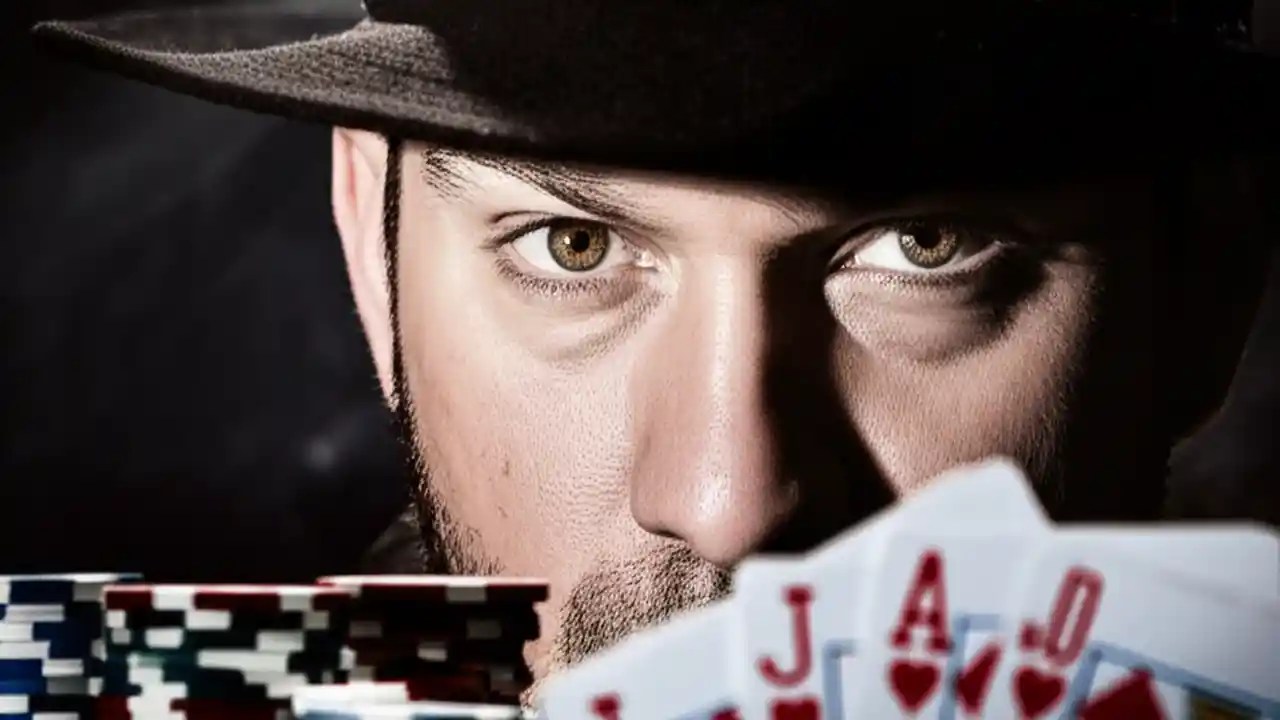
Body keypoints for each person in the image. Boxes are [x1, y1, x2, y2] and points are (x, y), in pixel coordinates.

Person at [33, 0, 1278, 696]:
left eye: (925, 247)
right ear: (373, 246)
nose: (726, 503)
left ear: (1206, 289)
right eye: (570, 247)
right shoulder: (114, 685)